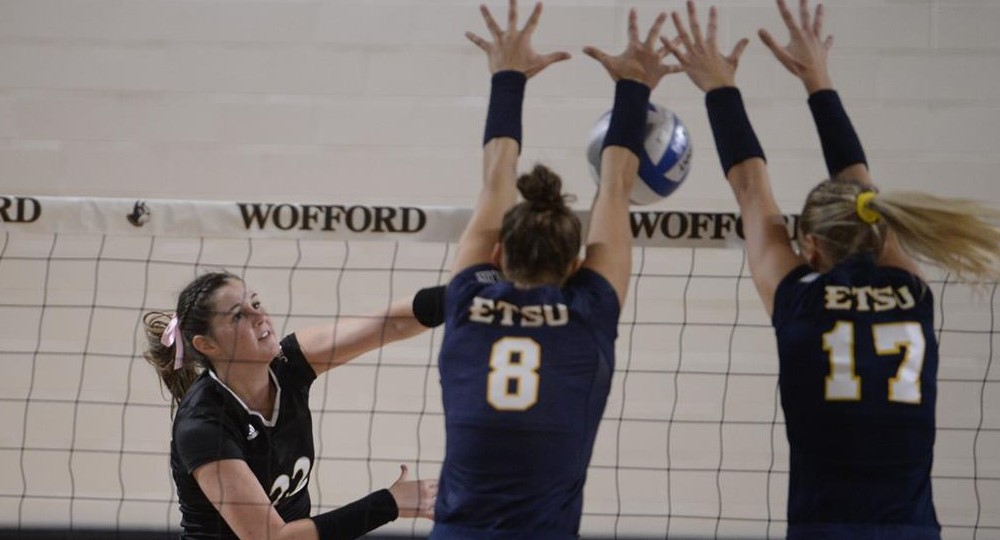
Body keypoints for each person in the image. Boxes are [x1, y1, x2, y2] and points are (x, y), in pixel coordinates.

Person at [662, 1, 1000, 538]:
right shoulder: (912, 293)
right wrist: (816, 80)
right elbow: (860, 193)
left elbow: (751, 187)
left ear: (810, 245)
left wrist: (719, 87)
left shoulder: (802, 304)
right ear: (879, 230)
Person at [430, 1, 680, 538]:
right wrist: (633, 88)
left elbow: (496, 179)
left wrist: (507, 78)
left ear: (497, 255)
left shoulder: (467, 301)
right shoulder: (588, 314)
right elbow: (615, 185)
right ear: (575, 265)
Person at [143, 271, 445, 539]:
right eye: (238, 315)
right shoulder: (203, 425)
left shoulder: (289, 364)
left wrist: (462, 295)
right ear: (206, 345)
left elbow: (390, 324)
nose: (259, 316)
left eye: (256, 304)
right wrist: (390, 502)